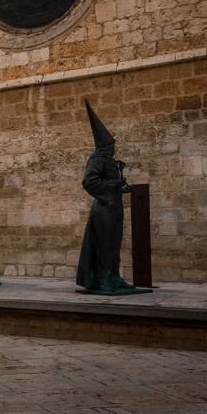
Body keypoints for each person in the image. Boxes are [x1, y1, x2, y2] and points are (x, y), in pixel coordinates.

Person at [76, 101, 137, 293]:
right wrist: (113, 185)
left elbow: (109, 182)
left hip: (114, 206)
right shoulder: (97, 159)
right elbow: (89, 181)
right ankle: (103, 278)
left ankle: (114, 276)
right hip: (103, 207)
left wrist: (121, 186)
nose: (112, 147)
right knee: (104, 244)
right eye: (110, 145)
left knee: (115, 243)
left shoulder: (110, 161)